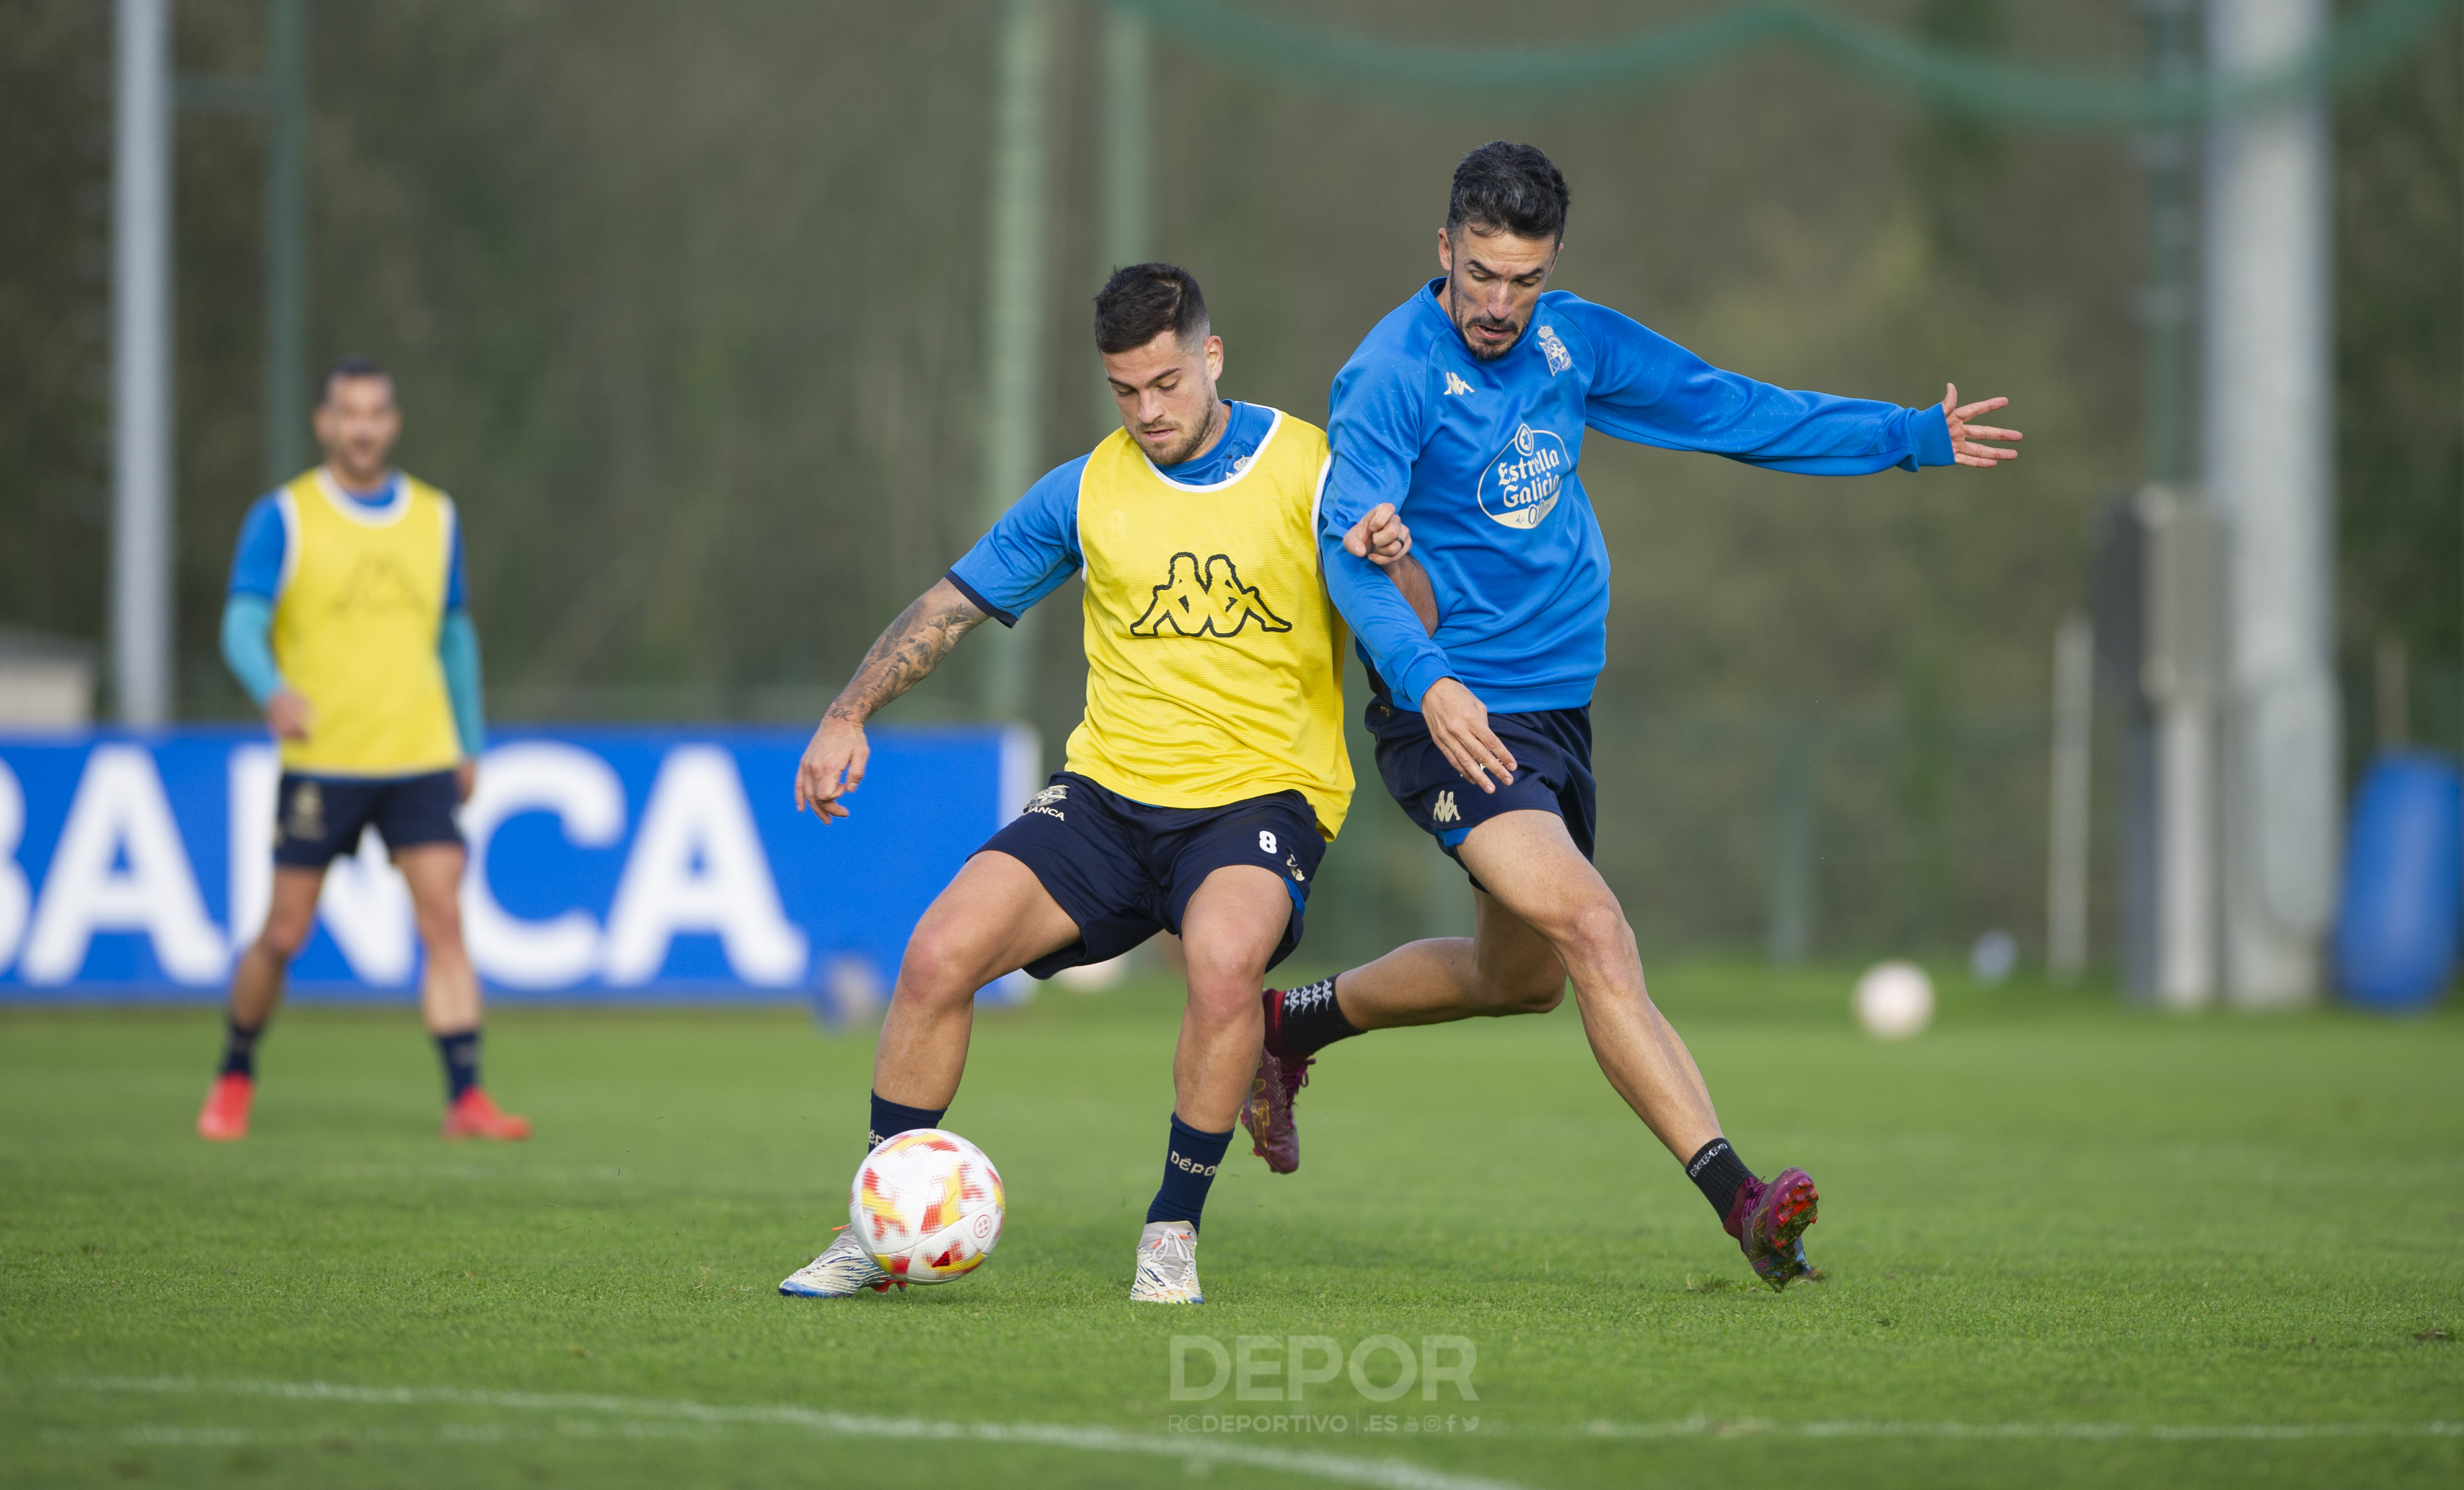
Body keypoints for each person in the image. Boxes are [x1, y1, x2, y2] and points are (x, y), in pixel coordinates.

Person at [1241, 142, 2023, 1290]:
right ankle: (1743, 1200)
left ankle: (1288, 1026)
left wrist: (1905, 436)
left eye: (1526, 278)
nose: (1501, 304)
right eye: (1482, 274)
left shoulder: (1574, 342)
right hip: (1448, 714)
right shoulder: (1389, 374)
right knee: (1598, 929)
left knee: (1522, 977)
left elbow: (1728, 410)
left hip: (1557, 713)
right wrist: (1428, 678)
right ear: (1443, 249)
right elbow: (1350, 557)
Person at [775, 264, 1425, 1303]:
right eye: (1125, 390)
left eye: (1166, 383)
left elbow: (1418, 627)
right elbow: (952, 602)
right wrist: (849, 711)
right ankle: (877, 1225)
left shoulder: (1313, 468)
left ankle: (1171, 1234)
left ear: (1212, 358)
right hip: (1108, 799)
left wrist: (1394, 560)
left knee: (1220, 966)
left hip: (1264, 798)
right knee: (940, 953)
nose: (1148, 410)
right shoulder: (1086, 489)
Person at [195, 357, 527, 1143]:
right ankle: (235, 1071)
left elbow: (454, 634)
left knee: (444, 920)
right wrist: (271, 687)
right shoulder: (285, 516)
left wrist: (469, 739)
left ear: (393, 421)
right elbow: (241, 621)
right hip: (325, 760)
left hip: (416, 755)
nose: (363, 427)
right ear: (325, 422)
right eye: (349, 412)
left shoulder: (434, 516)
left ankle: (467, 1097)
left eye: (376, 412)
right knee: (284, 932)